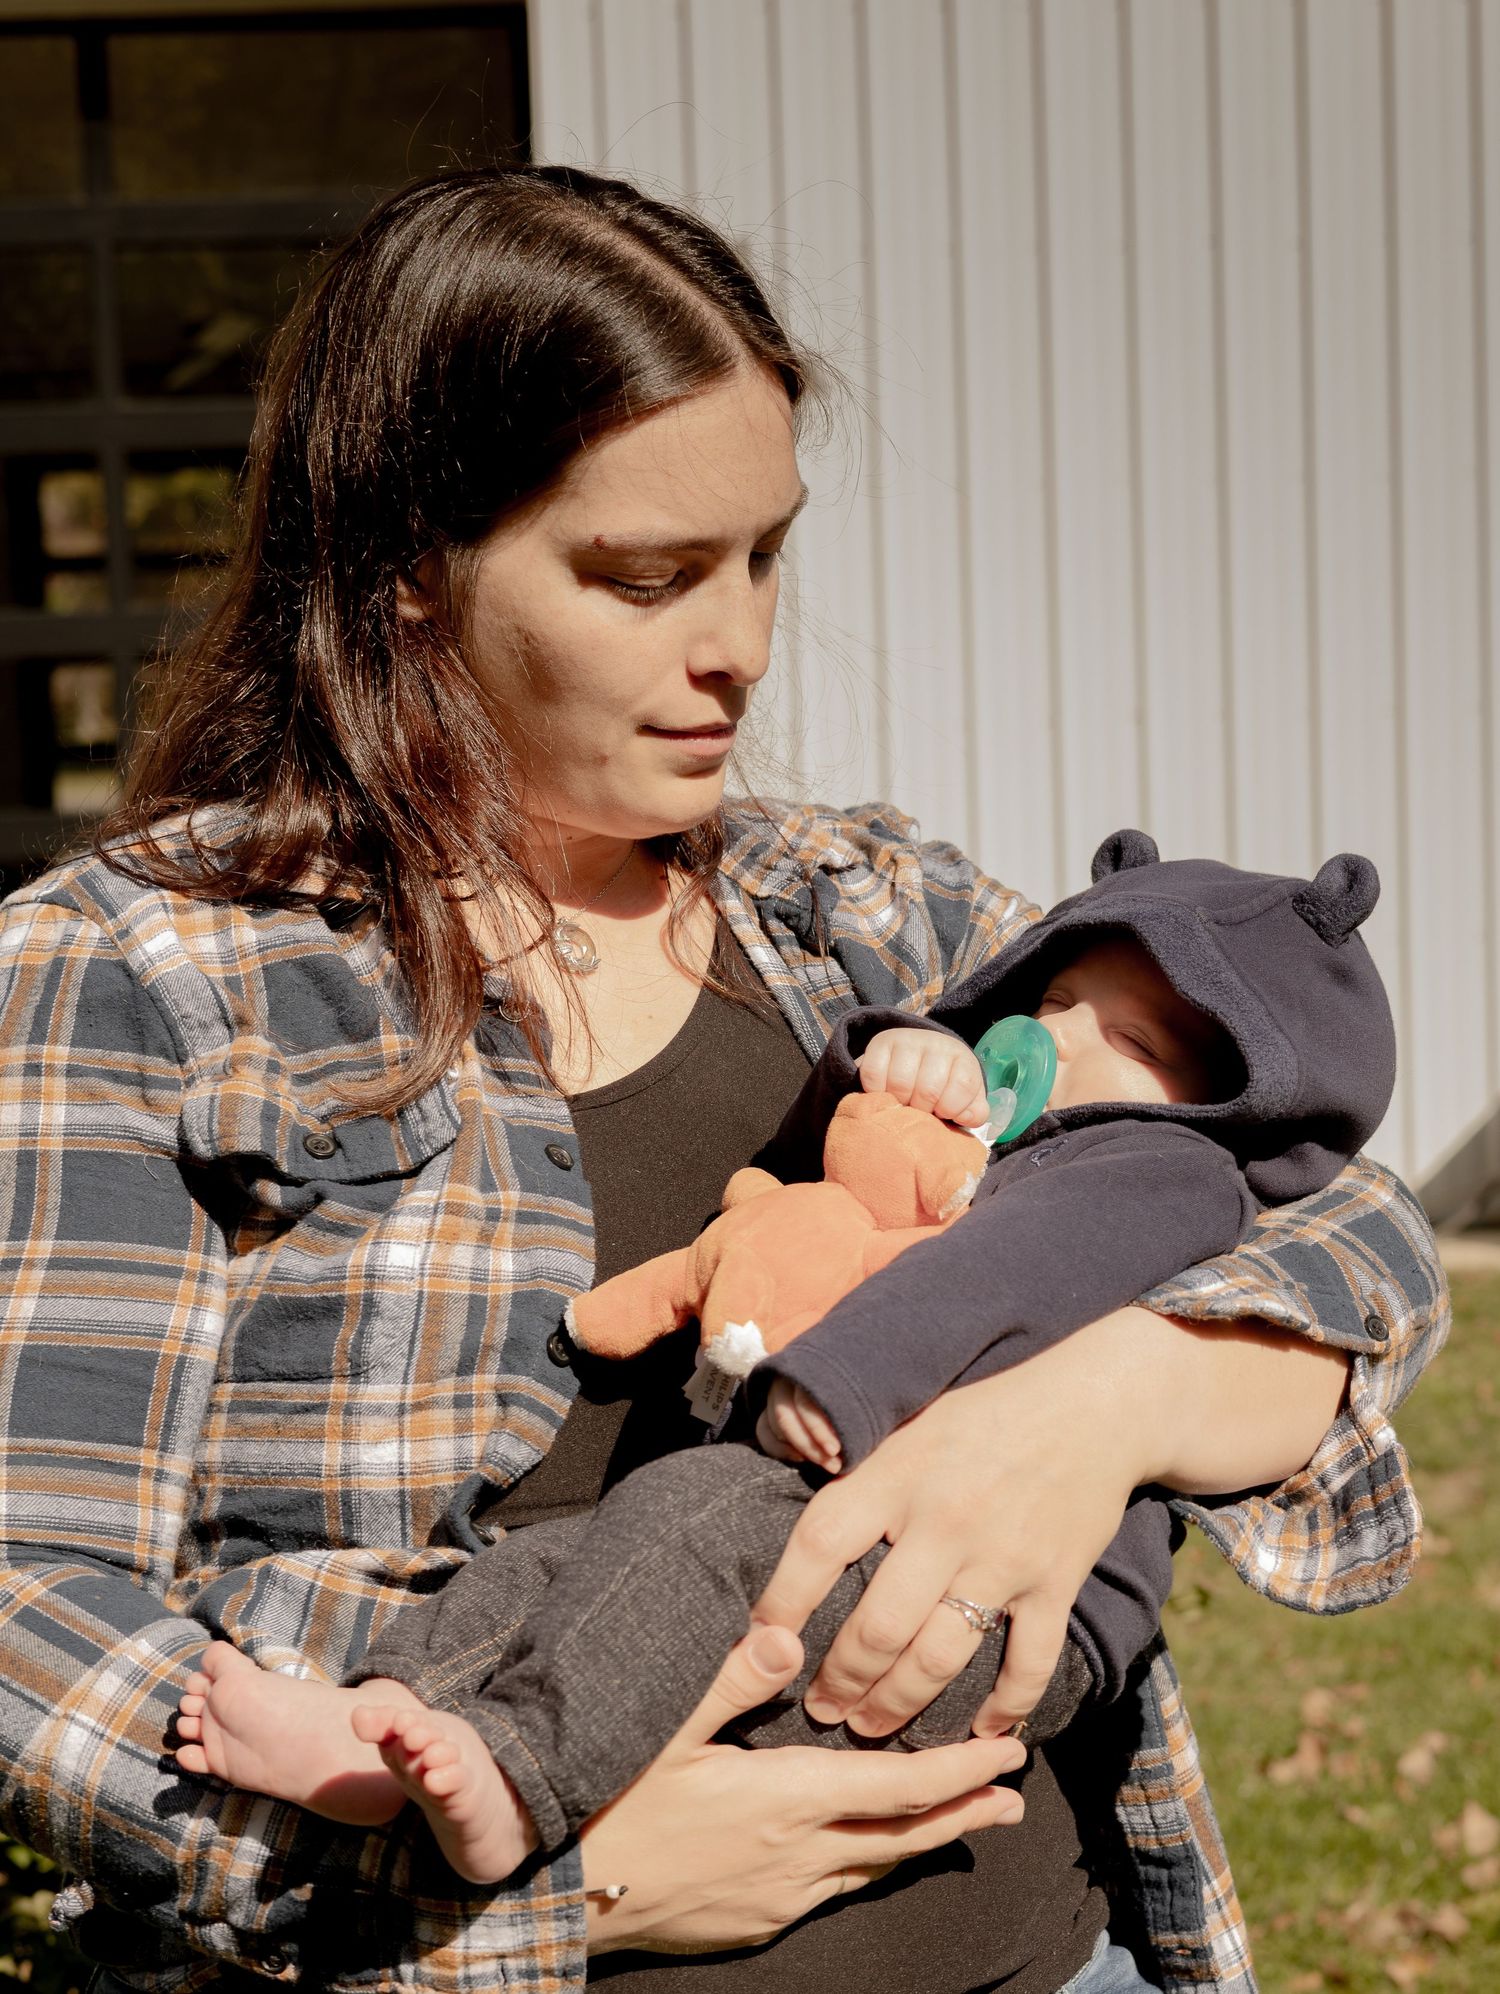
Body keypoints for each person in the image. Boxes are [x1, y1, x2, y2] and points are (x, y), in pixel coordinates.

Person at [0, 164, 1445, 1994]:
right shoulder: (143, 971)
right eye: (646, 575)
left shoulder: (866, 911)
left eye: (765, 552)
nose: (740, 644)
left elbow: (1344, 1211)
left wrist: (1102, 1406)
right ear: (407, 573)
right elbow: (30, 1605)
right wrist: (546, 1889)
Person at [165, 825, 1399, 1912]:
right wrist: (899, 1056)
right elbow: (827, 1185)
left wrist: (842, 1380)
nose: (1055, 1043)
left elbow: (998, 1277)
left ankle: (515, 1775)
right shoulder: (1016, 1138)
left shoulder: (1154, 1170)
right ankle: (389, 1714)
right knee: (580, 1560)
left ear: (1235, 1103)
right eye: (1056, 998)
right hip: (833, 1536)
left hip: (972, 1608)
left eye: (1122, 1036)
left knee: (686, 1527)